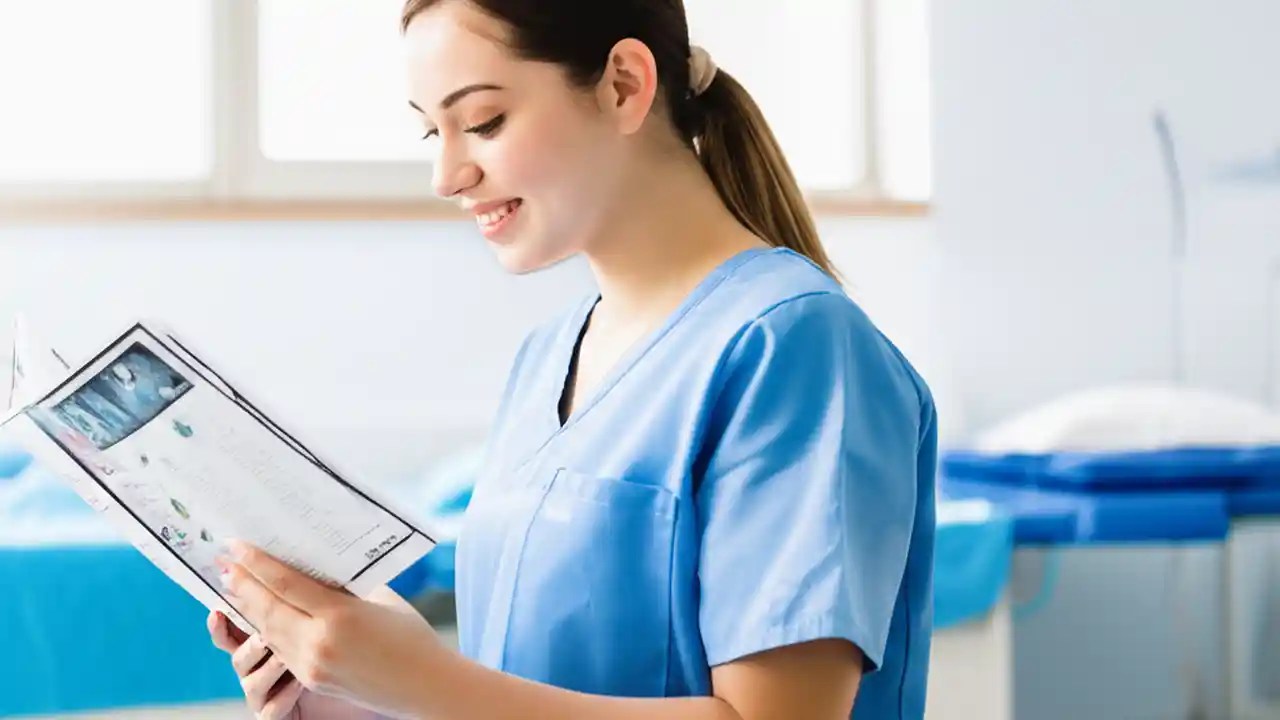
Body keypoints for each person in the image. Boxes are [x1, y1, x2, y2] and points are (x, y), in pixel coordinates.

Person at [208, 1, 938, 718]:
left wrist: (420, 680)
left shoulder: (793, 343)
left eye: (483, 122)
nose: (446, 175)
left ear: (623, 84)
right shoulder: (546, 359)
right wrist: (349, 689)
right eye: (433, 131)